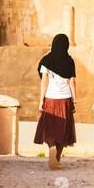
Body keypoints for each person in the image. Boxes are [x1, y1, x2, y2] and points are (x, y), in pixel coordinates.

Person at [35, 33, 77, 169]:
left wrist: (41, 100)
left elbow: (44, 82)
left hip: (50, 99)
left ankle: (51, 147)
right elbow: (72, 82)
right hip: (64, 99)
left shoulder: (46, 60)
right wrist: (74, 101)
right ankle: (57, 159)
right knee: (63, 130)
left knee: (49, 128)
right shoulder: (70, 61)